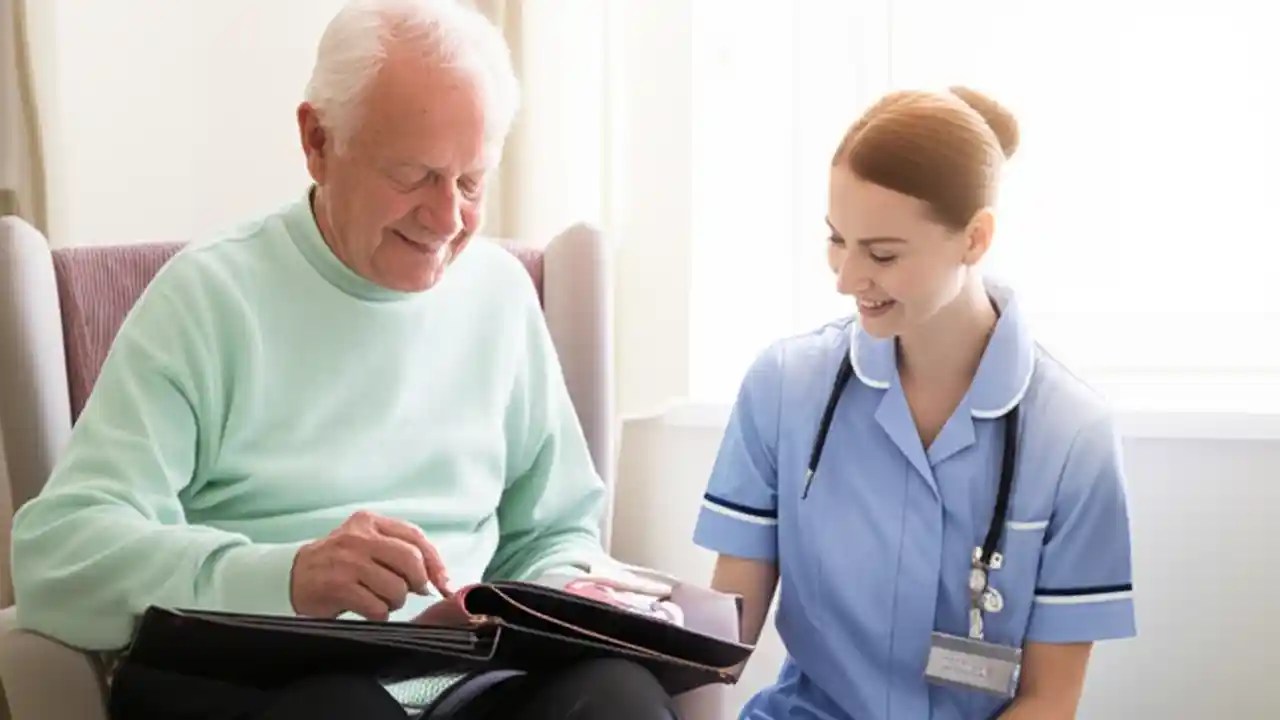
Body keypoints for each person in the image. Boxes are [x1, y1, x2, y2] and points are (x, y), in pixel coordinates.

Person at [8, 1, 676, 718]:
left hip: (462, 680)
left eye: (471, 182)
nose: (447, 219)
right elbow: (59, 557)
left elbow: (554, 528)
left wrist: (566, 588)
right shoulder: (209, 298)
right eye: (415, 176)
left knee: (620, 697)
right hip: (271, 682)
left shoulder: (501, 297)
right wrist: (288, 577)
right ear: (317, 140)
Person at [693, 87, 1136, 719]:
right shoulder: (784, 387)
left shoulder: (1071, 434)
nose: (846, 278)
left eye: (881, 254)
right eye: (836, 240)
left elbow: (1049, 697)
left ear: (975, 239)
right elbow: (721, 643)